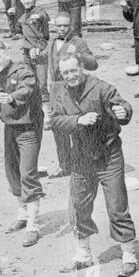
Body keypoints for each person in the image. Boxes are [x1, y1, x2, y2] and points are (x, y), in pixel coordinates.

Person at [49, 53, 139, 276]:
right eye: (65, 72)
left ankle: (128, 253)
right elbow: (55, 120)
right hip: (81, 156)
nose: (70, 76)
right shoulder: (59, 91)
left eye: (73, 70)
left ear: (82, 68)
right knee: (78, 205)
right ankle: (83, 255)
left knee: (117, 204)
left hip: (108, 153)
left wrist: (123, 112)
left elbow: (123, 106)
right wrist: (77, 120)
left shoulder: (100, 87)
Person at [0, 44, 45, 248]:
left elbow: (27, 89)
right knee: (12, 171)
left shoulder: (22, 70)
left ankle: (34, 225)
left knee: (27, 173)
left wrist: (11, 97)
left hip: (28, 128)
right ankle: (23, 213)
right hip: (10, 127)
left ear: (7, 54)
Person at [44, 13, 98, 179]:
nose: (62, 29)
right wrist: (35, 55)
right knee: (58, 128)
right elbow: (45, 56)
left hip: (72, 90)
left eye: (65, 26)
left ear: (71, 26)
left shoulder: (78, 42)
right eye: (59, 26)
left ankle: (84, 163)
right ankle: (64, 165)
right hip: (55, 91)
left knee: (77, 126)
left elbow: (93, 64)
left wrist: (80, 55)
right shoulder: (52, 40)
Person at [12, 0, 51, 101]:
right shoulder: (21, 15)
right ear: (20, 0)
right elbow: (18, 30)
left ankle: (44, 96)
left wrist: (39, 17)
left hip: (40, 48)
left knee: (41, 77)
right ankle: (32, 95)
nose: (27, 1)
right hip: (26, 49)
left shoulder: (40, 11)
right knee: (29, 74)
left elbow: (45, 23)